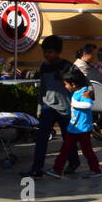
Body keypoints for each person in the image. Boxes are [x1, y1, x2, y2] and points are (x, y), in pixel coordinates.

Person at [28, 36, 73, 178]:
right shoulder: (44, 67)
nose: (48, 55)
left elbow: (80, 84)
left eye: (51, 52)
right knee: (41, 138)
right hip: (48, 107)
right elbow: (42, 87)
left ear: (58, 52)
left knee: (68, 139)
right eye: (45, 52)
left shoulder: (67, 66)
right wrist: (40, 107)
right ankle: (37, 168)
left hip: (65, 108)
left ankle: (74, 162)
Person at [46, 67, 101, 178]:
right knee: (65, 150)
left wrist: (74, 104)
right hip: (74, 128)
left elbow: (89, 105)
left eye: (66, 84)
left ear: (73, 84)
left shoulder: (84, 93)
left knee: (86, 151)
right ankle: (57, 170)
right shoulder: (77, 92)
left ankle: (96, 170)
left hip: (82, 128)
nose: (65, 86)